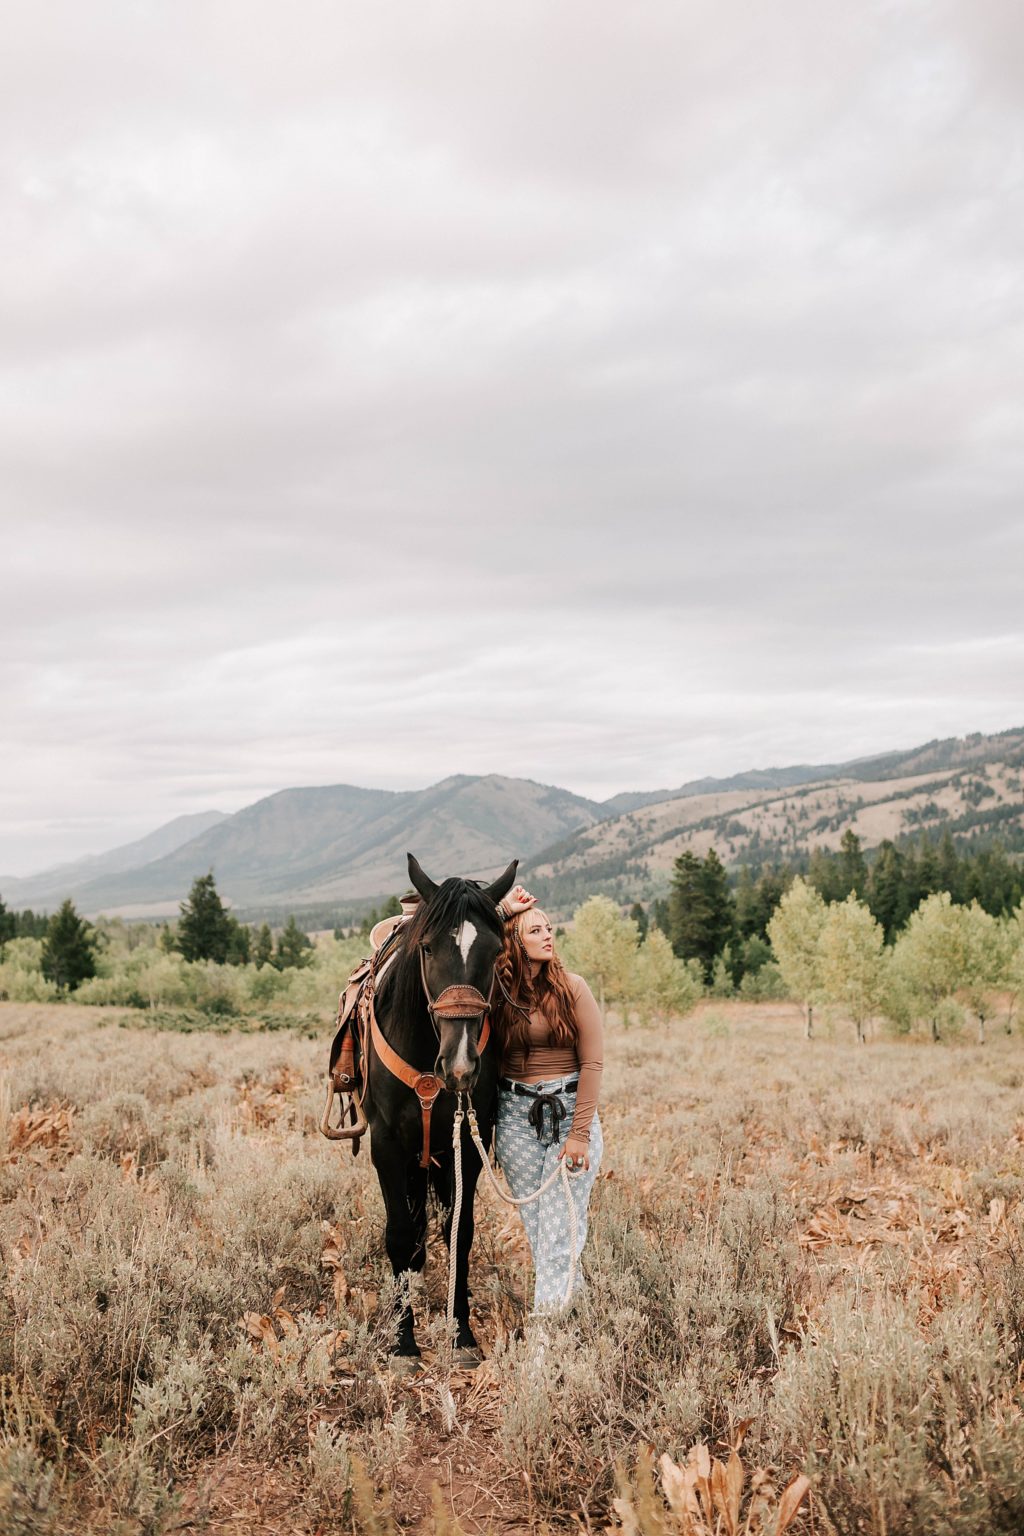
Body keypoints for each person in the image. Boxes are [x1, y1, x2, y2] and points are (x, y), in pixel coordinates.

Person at [492, 884, 604, 1315]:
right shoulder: (498, 994)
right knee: (541, 1229)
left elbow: (592, 1064)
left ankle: (546, 1339)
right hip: (515, 1116)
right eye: (535, 930)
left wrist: (579, 1134)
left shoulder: (572, 988)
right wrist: (502, 910)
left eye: (549, 928)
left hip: (568, 1110)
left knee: (561, 1231)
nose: (547, 935)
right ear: (513, 942)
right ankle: (579, 1313)